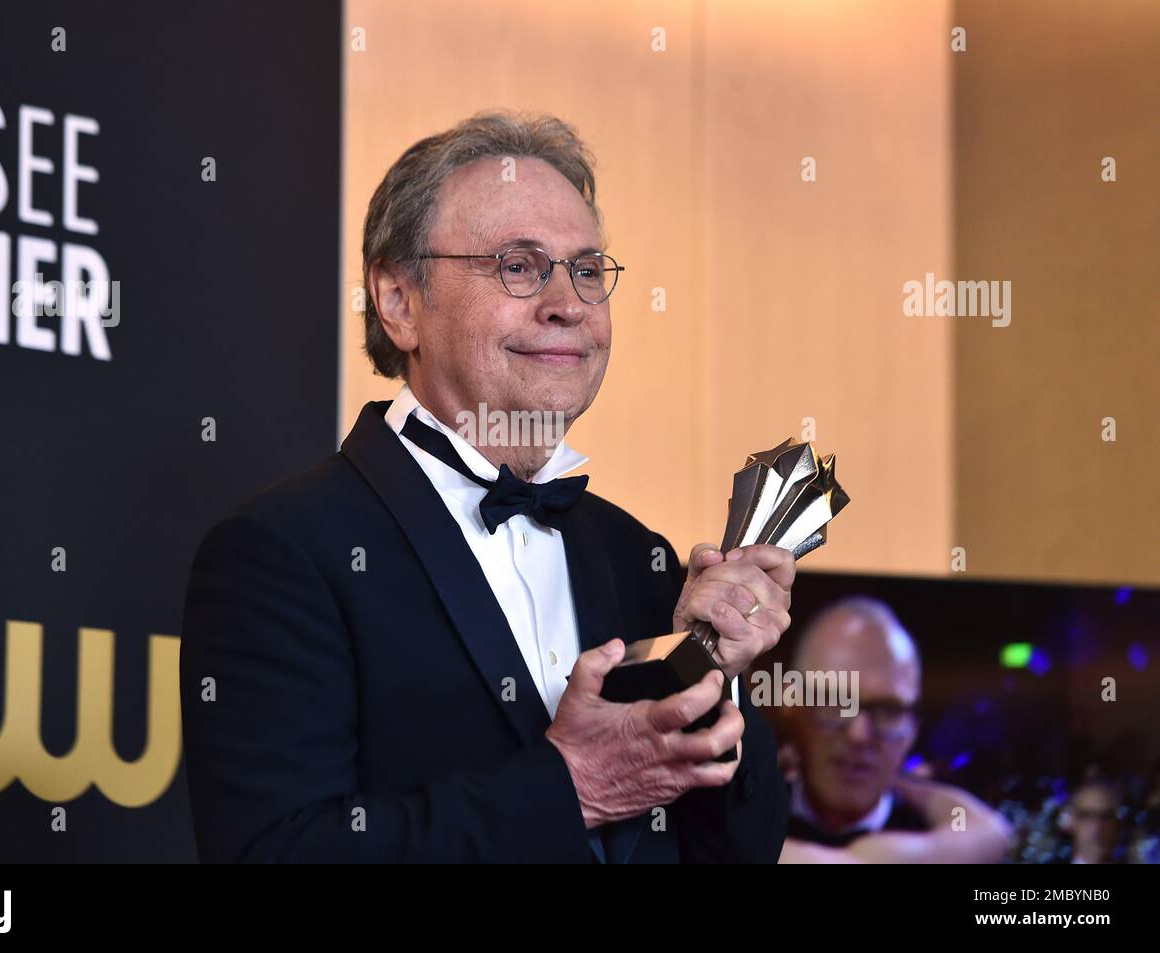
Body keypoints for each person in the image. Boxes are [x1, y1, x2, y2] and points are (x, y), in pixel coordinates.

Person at [179, 111, 794, 863]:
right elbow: (274, 854)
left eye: (588, 268)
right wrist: (571, 790)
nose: (568, 303)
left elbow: (736, 854)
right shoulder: (282, 552)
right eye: (518, 264)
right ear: (399, 301)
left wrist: (712, 672)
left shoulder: (641, 557)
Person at [778, 596, 1013, 862]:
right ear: (792, 704)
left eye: (888, 710)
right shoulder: (737, 822)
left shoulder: (960, 842)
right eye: (836, 702)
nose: (859, 735)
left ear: (914, 726)